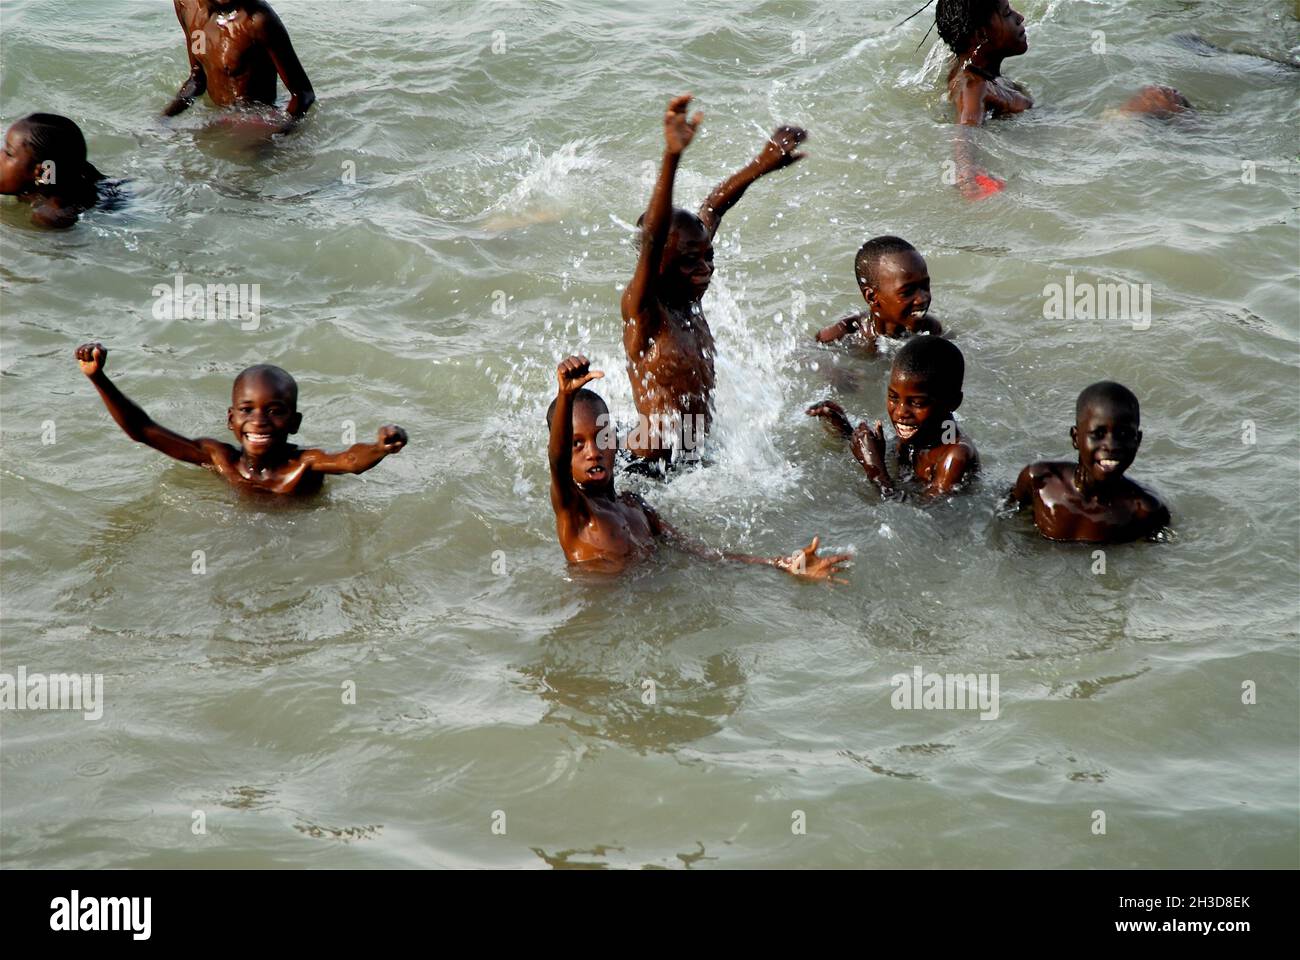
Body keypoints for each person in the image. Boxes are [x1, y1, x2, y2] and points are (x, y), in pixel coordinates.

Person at [622, 93, 806, 465]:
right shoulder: (645, 311)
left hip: (696, 456)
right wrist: (672, 156)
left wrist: (762, 163)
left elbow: (712, 207)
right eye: (691, 262)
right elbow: (655, 238)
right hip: (650, 466)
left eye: (710, 257)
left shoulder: (689, 298)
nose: (706, 269)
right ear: (659, 265)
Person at [548, 354, 849, 580]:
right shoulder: (575, 512)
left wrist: (780, 564)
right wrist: (565, 396)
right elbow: (556, 462)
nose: (593, 452)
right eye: (577, 444)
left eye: (601, 438)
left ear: (614, 440)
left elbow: (702, 555)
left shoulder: (635, 506)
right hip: (604, 620)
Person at [75, 343, 406, 496]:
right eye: (247, 410)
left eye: (275, 411)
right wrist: (98, 378)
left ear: (295, 423)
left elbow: (349, 461)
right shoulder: (219, 459)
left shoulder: (304, 464)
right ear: (231, 420)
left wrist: (380, 447)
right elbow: (143, 431)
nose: (259, 421)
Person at [807, 336, 976, 499]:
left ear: (952, 403)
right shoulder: (918, 433)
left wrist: (875, 469)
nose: (900, 412)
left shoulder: (954, 456)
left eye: (917, 403)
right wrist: (847, 432)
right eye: (894, 397)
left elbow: (922, 515)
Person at [1007, 381, 1169, 542]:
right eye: (1098, 434)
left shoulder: (1145, 512)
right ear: (1076, 438)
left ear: (1137, 440)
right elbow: (1006, 519)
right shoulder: (1039, 481)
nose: (1111, 446)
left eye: (1124, 434)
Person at [163, 0, 315, 133]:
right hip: (218, 117)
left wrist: (276, 137)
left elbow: (303, 95)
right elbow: (197, 78)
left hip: (256, 120)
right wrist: (164, 118)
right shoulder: (188, 8)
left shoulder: (257, 21)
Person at [815, 236, 941, 350]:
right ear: (871, 297)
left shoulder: (930, 330)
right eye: (907, 292)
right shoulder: (839, 336)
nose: (923, 298)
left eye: (925, 286)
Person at [0, 114, 114, 228]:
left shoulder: (50, 216)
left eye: (9, 154)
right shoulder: (67, 172)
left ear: (43, 173)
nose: (0, 155)